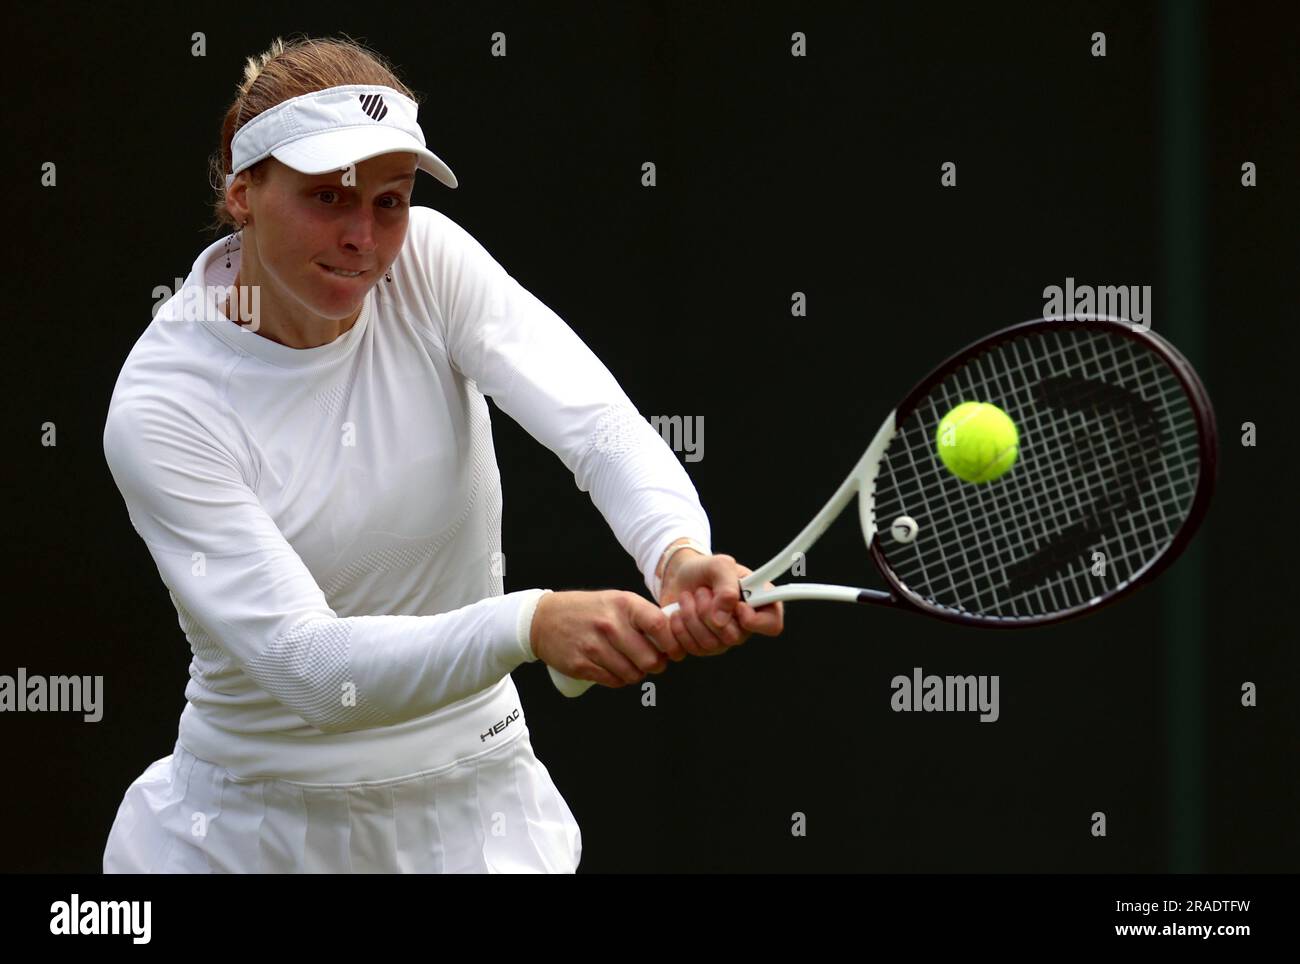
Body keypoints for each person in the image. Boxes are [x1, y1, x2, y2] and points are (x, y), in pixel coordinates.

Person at [100, 35, 783, 874]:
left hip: (476, 815)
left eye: (389, 201)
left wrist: (675, 552)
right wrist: (529, 624)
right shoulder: (165, 406)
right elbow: (311, 667)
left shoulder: (427, 262)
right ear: (244, 193)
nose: (363, 237)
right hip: (250, 836)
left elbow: (599, 426)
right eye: (327, 196)